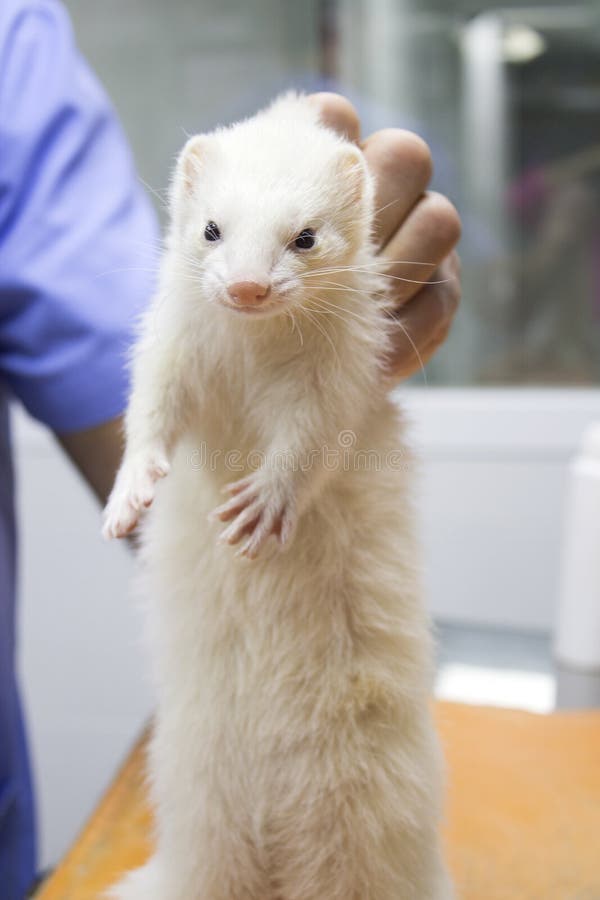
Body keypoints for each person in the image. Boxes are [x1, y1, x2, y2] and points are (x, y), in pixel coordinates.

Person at [0, 1, 461, 897]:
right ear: (187, 204)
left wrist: (321, 406)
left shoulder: (13, 43)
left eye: (297, 241)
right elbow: (152, 385)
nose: (245, 280)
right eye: (215, 239)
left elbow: (111, 365)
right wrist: (146, 461)